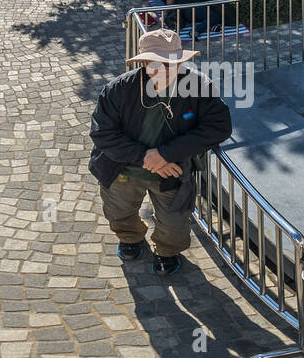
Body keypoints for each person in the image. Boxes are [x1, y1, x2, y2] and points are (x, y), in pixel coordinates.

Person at [89, 27, 234, 275]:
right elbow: (102, 133)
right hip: (122, 169)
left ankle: (166, 252)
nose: (166, 70)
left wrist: (166, 154)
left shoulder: (198, 85)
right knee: (119, 212)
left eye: (173, 63)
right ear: (144, 62)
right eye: (157, 63)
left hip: (172, 173)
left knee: (175, 226)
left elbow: (219, 126)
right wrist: (147, 157)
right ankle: (131, 237)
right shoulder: (119, 89)